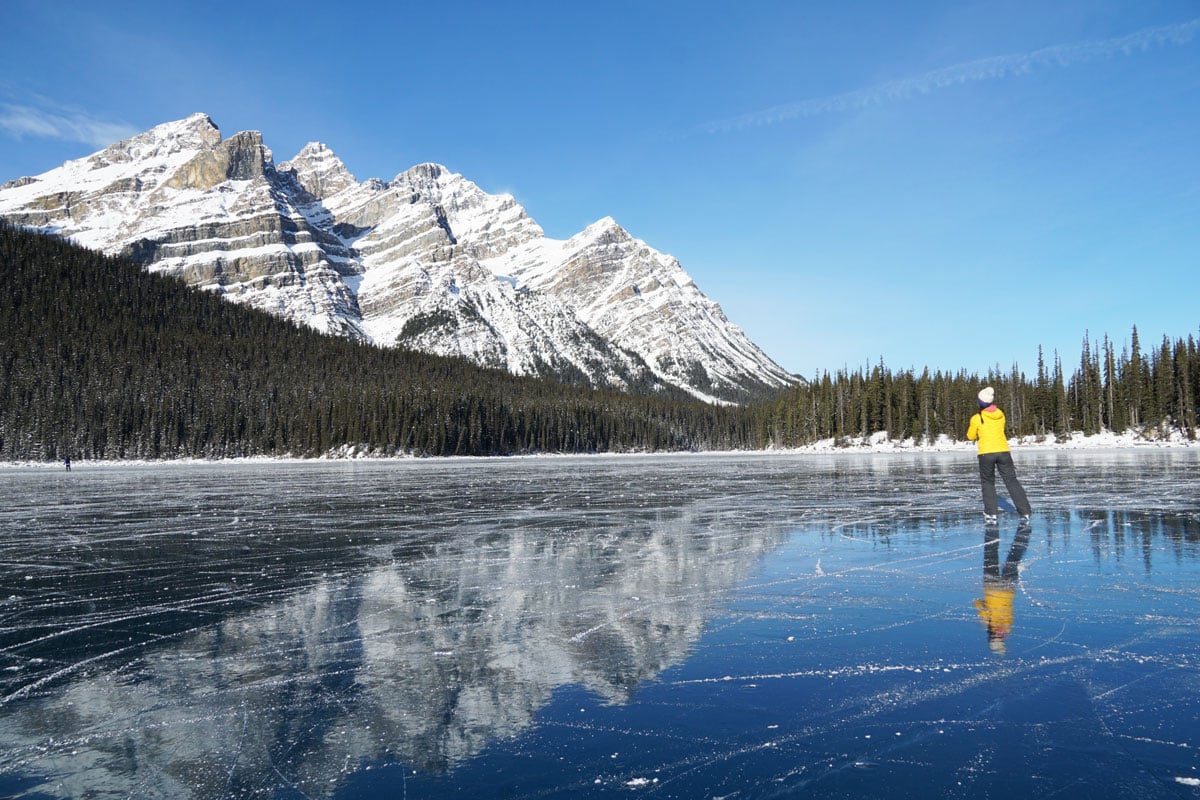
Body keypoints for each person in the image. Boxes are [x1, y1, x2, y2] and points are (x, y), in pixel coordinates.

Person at [966, 386, 1031, 524]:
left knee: (988, 483)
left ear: (981, 402)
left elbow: (970, 436)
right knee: (1012, 481)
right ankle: (1025, 511)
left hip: (986, 454)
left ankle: (991, 513)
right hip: (1003, 452)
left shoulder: (977, 418)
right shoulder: (1000, 414)